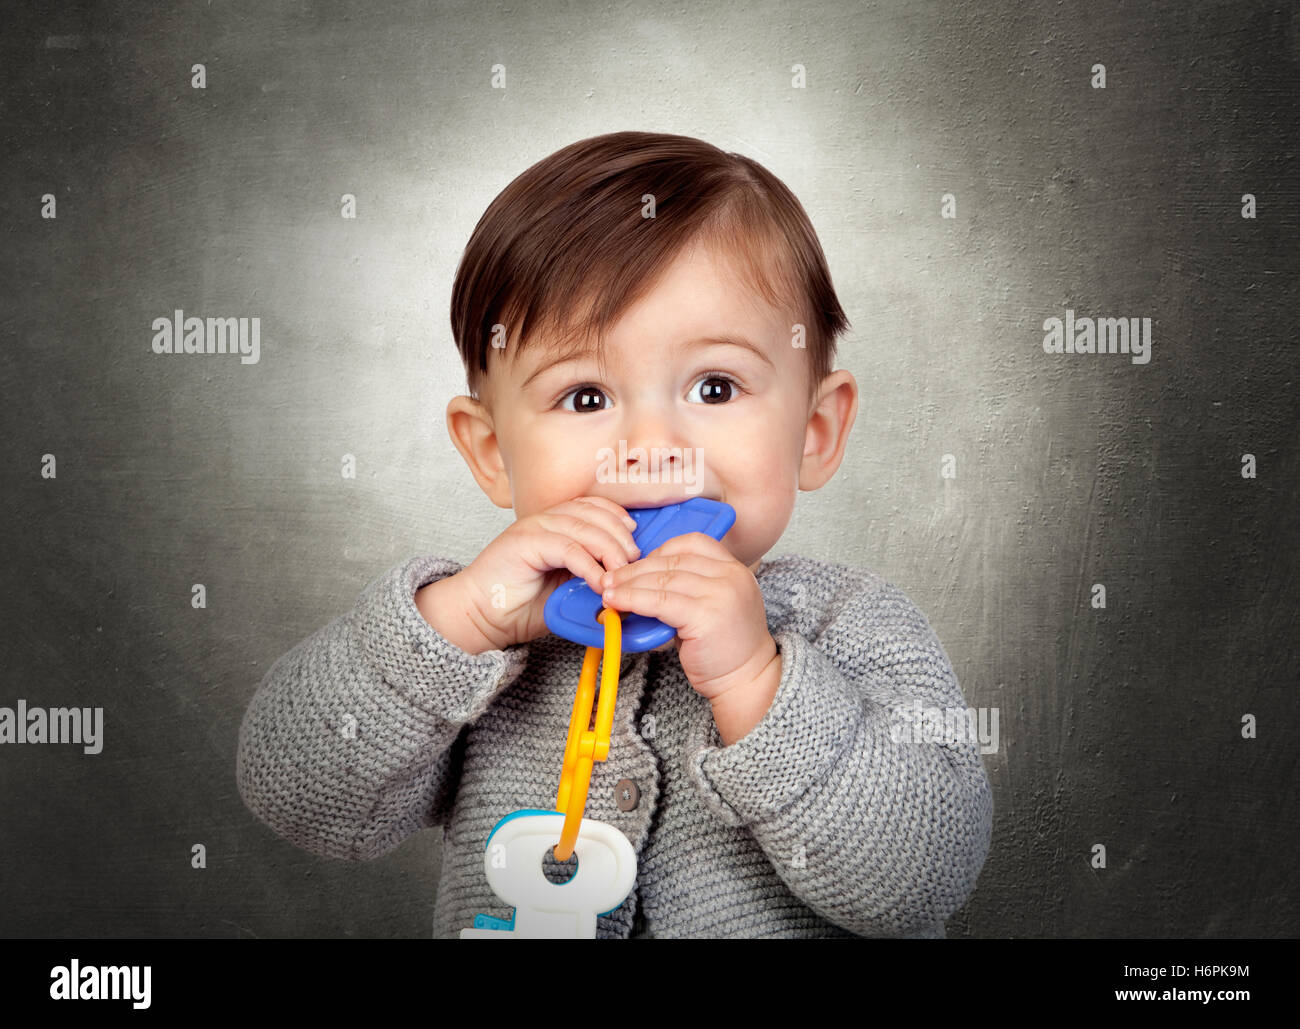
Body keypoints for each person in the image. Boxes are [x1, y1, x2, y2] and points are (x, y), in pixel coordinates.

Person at [236, 131, 993, 938]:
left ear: (814, 429)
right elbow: (294, 791)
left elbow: (924, 877)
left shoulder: (855, 624)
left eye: (714, 385)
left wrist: (751, 680)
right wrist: (460, 619)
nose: (651, 443)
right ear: (492, 451)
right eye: (586, 398)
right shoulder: (486, 648)